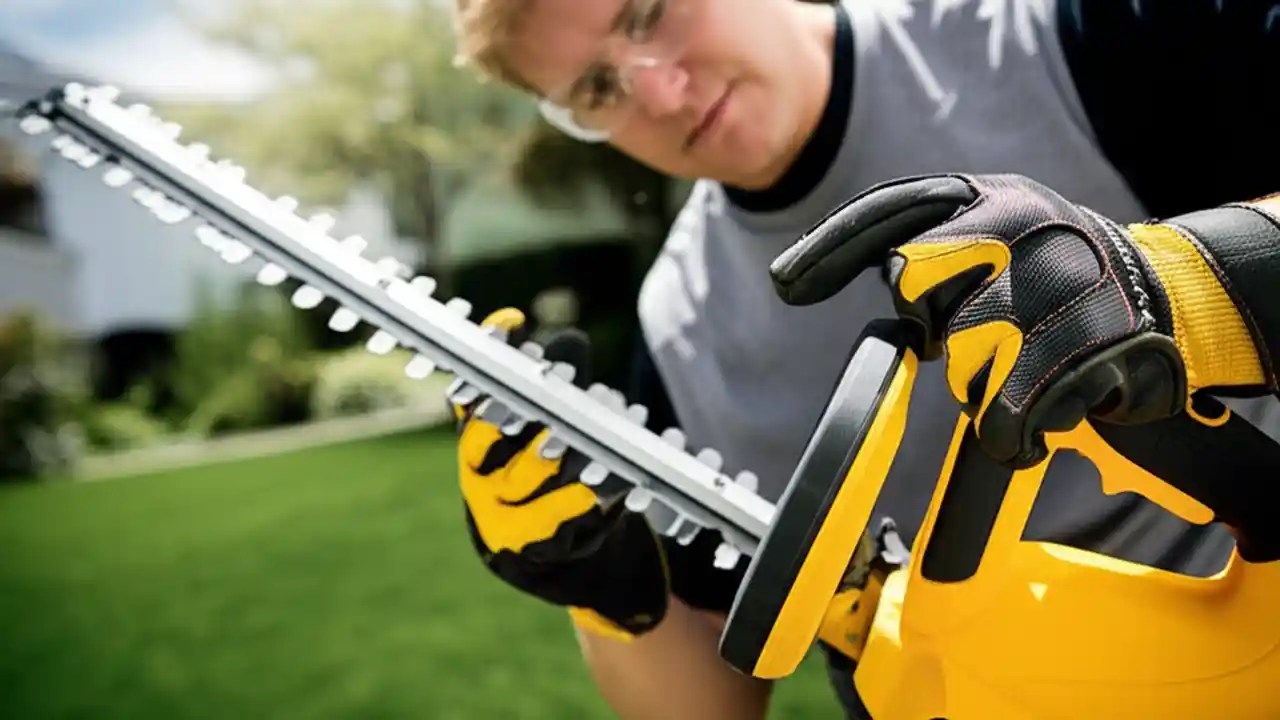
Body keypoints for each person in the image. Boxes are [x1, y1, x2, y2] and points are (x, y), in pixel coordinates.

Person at [446, 0, 1280, 717]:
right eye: (597, 88)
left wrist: (1189, 280)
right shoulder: (679, 325)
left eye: (649, 11)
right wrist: (600, 592)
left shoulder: (1057, 34)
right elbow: (712, 700)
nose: (659, 91)